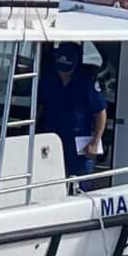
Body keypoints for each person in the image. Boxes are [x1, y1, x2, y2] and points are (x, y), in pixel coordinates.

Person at [35, 43, 109, 181]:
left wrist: (95, 141)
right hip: (52, 137)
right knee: (50, 179)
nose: (62, 73)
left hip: (80, 142)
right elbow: (40, 106)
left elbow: (100, 113)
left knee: (80, 183)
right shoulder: (48, 79)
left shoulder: (87, 82)